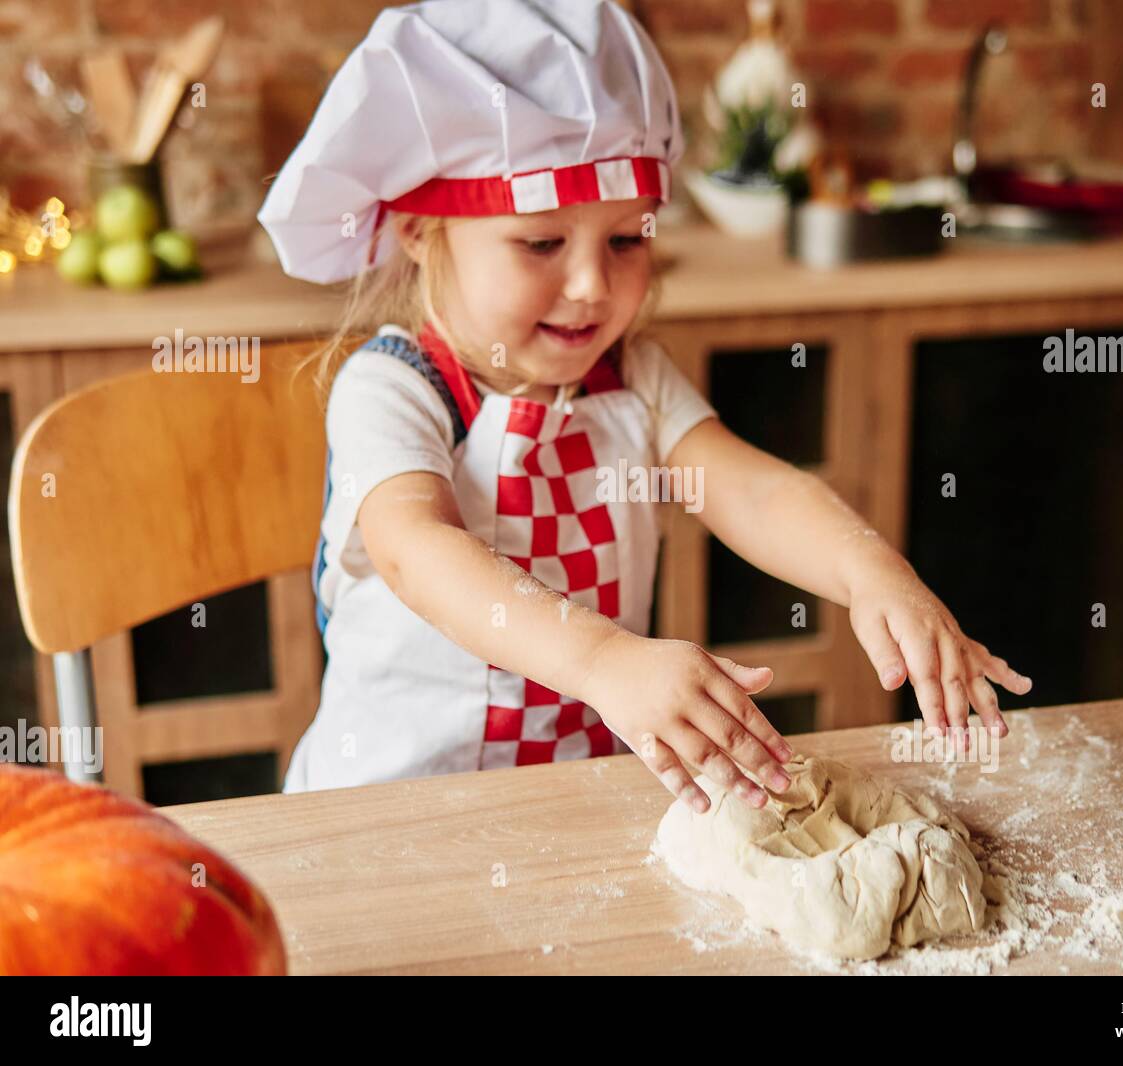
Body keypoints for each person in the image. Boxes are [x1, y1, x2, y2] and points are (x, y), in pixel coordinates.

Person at [258, 0, 1031, 809]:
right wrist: (601, 660)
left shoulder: (634, 378)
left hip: (573, 806)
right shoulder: (393, 389)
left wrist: (872, 569)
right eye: (541, 242)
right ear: (420, 229)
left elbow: (753, 490)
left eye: (626, 240)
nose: (593, 287)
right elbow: (416, 550)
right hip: (387, 817)